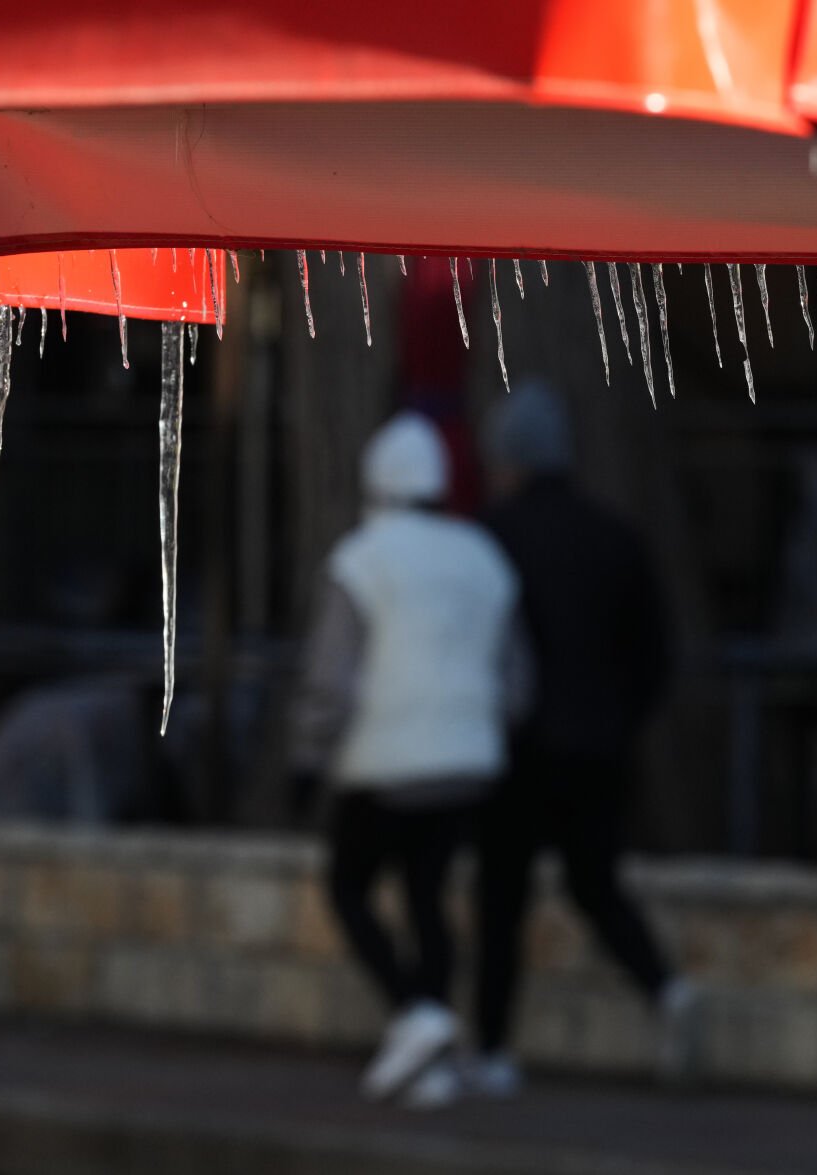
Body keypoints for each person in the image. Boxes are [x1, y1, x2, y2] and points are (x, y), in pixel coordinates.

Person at [291, 411, 530, 1109]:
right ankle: (430, 1055)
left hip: (385, 762)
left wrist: (307, 758)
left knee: (349, 884)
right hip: (468, 765)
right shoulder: (482, 554)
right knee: (428, 896)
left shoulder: (362, 559)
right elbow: (516, 676)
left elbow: (330, 676)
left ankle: (415, 1012)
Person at [471, 381, 697, 1097]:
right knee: (594, 883)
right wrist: (621, 718)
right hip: (601, 745)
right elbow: (655, 654)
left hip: (520, 749)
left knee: (500, 899)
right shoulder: (617, 537)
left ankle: (494, 1049)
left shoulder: (493, 536)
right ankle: (665, 989)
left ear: (508, 458)